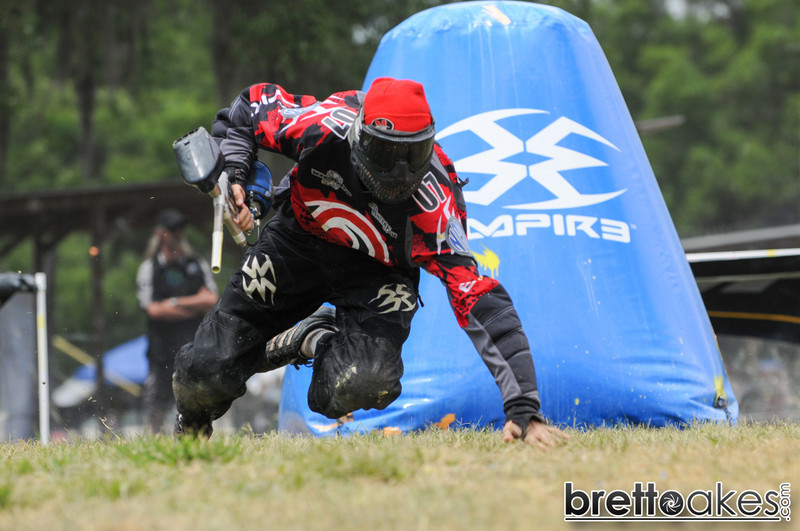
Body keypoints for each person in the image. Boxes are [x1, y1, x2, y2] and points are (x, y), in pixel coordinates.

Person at [173, 77, 568, 448]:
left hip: (379, 274)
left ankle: (313, 340)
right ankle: (190, 430)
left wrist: (523, 407)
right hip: (298, 243)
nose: (399, 171)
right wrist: (237, 175)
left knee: (362, 382)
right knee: (205, 371)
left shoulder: (437, 210)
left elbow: (481, 303)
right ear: (360, 136)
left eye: (414, 154)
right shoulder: (322, 126)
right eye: (386, 153)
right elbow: (248, 109)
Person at [136, 208, 219, 433]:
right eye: (173, 230)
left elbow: (211, 297)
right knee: (157, 394)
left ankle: (197, 433)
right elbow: (152, 310)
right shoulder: (149, 268)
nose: (178, 234)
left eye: (180, 230)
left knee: (196, 390)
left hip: (192, 342)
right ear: (160, 233)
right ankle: (154, 436)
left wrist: (172, 304)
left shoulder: (195, 263)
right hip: (160, 345)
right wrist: (191, 305)